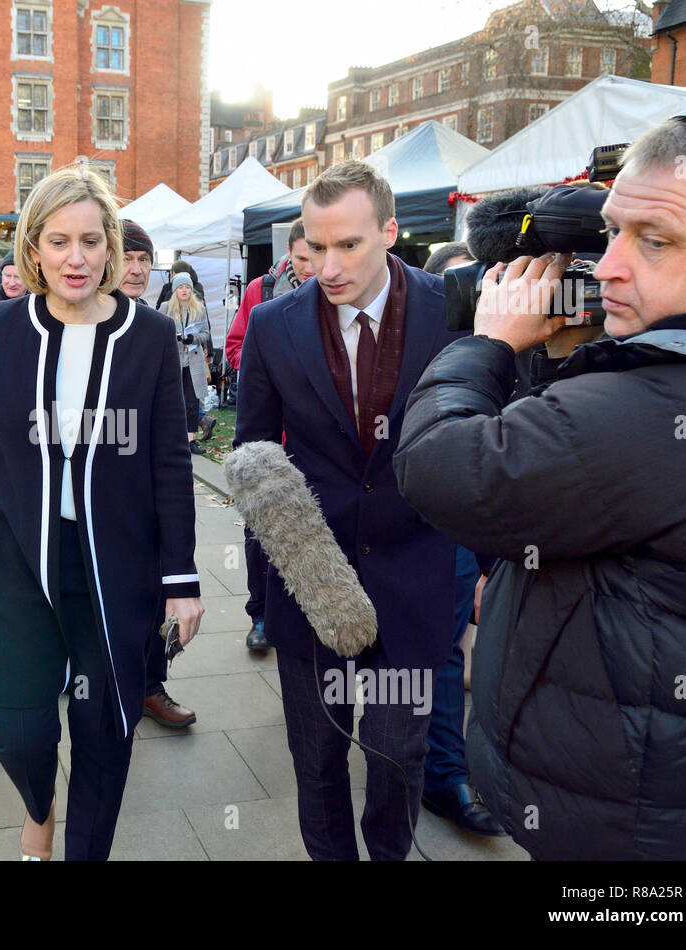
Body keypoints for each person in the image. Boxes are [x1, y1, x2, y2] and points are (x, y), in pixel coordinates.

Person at [394, 112, 686, 859]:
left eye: (656, 240)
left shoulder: (667, 404)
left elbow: (442, 465)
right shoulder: (674, 376)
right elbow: (579, 490)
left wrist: (487, 342)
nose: (609, 266)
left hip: (634, 827)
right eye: (612, 231)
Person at [0, 165, 204, 861]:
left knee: (105, 727)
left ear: (110, 246)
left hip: (117, 568)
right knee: (18, 730)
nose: (75, 258)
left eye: (89, 240)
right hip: (18, 558)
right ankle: (39, 807)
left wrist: (182, 578)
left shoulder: (146, 335)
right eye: (58, 241)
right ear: (34, 249)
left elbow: (170, 462)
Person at [234, 160, 465, 861]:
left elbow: (486, 438)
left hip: (416, 572)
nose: (326, 265)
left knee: (399, 758)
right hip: (314, 580)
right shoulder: (274, 325)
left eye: (349, 246)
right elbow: (250, 456)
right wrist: (267, 588)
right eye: (315, 244)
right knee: (318, 762)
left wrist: (488, 561)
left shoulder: (450, 308)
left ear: (390, 232)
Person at [413, 244, 504, 836]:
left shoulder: (507, 348)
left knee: (448, 651)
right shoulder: (414, 333)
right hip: (402, 511)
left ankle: (445, 775)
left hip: (465, 526)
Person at [119, 218, 197, 730]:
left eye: (145, 260)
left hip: (146, 490)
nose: (137, 268)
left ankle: (149, 685)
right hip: (87, 497)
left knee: (151, 595)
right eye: (128, 256)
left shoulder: (156, 327)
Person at [224, 218, 315, 653]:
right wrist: (271, 369)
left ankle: (303, 611)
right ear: (290, 254)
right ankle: (260, 613)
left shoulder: (338, 292)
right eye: (303, 257)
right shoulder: (261, 291)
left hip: (314, 442)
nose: (312, 266)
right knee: (260, 529)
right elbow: (235, 347)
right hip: (269, 438)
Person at [160, 273, 213, 455]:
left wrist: (193, 338)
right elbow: (156, 331)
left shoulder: (199, 309)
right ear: (175, 290)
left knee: (191, 402)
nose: (185, 290)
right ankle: (172, 439)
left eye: (188, 287)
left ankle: (190, 441)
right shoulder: (166, 307)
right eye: (181, 287)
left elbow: (206, 333)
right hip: (172, 361)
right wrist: (171, 337)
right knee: (173, 401)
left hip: (193, 361)